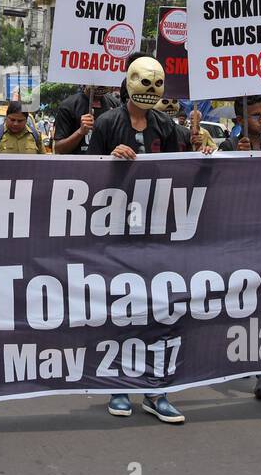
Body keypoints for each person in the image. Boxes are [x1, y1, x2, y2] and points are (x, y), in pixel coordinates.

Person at [86, 55, 185, 423]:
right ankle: (119, 386)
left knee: (162, 307)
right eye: (144, 82)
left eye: (158, 84)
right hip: (116, 232)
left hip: (158, 232)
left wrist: (206, 156)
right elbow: (84, 177)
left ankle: (157, 391)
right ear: (128, 82)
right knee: (122, 308)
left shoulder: (166, 126)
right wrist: (108, 159)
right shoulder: (108, 123)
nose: (151, 91)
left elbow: (182, 169)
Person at [218, 94, 261, 399]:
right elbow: (219, 187)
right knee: (241, 299)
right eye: (256, 114)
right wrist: (236, 161)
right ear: (239, 122)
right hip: (237, 235)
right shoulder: (227, 148)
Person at [53, 84, 120, 155]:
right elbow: (59, 149)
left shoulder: (115, 105)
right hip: (78, 164)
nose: (100, 86)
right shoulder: (68, 106)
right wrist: (80, 132)